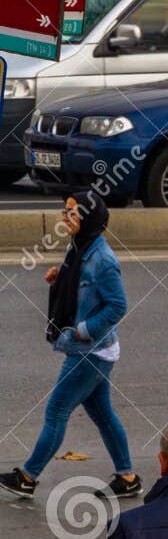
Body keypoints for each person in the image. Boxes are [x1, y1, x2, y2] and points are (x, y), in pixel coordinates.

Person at [0, 193, 140, 501]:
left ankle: (27, 477)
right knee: (102, 413)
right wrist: (60, 279)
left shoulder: (103, 260)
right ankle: (127, 478)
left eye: (71, 214)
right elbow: (81, 284)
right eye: (64, 212)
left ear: (88, 218)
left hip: (90, 351)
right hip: (93, 350)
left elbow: (117, 306)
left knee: (57, 411)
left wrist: (82, 332)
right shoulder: (80, 247)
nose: (65, 218)